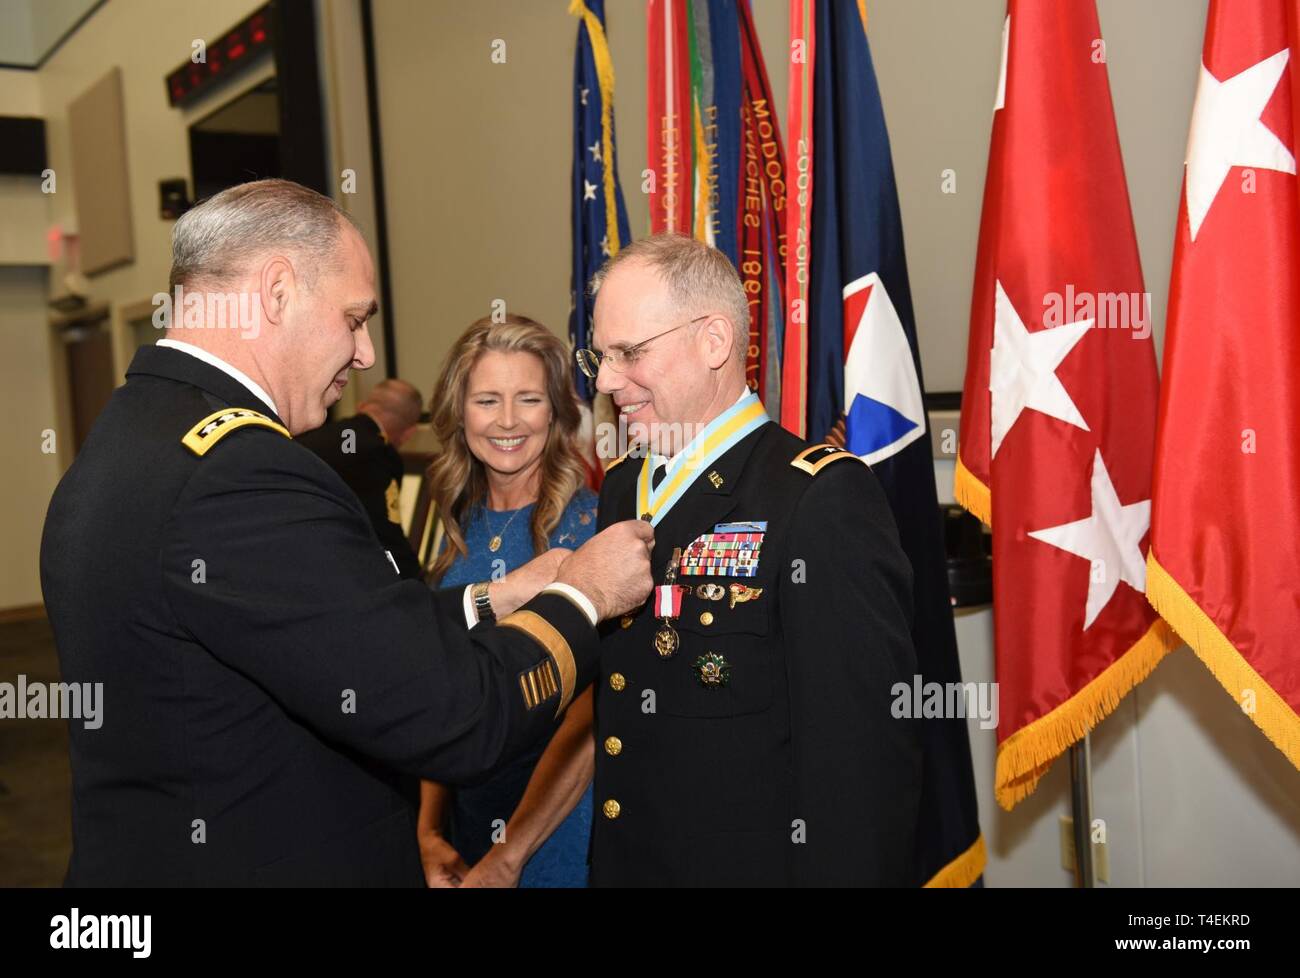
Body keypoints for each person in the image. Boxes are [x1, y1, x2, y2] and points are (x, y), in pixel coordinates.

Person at [38, 179, 653, 886]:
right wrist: (584, 595)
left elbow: (333, 632)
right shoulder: (243, 473)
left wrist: (490, 600)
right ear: (275, 291)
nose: (364, 354)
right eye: (354, 318)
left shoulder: (130, 439)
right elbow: (455, 717)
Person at [506, 232, 922, 886]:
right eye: (600, 356)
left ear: (714, 342)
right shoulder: (623, 488)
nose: (607, 382)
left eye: (629, 354)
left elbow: (860, 773)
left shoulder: (816, 499)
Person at [416, 316, 597, 888]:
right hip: (467, 834)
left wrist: (509, 856)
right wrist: (429, 834)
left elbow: (588, 723)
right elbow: (437, 692)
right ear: (458, 411)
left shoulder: (590, 525)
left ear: (557, 413)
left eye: (529, 399)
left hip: (555, 836)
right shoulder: (453, 527)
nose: (509, 421)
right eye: (487, 400)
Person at [296, 378, 425, 579]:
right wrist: (416, 582)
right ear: (409, 434)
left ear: (362, 406)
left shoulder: (312, 436)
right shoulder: (377, 452)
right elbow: (386, 531)